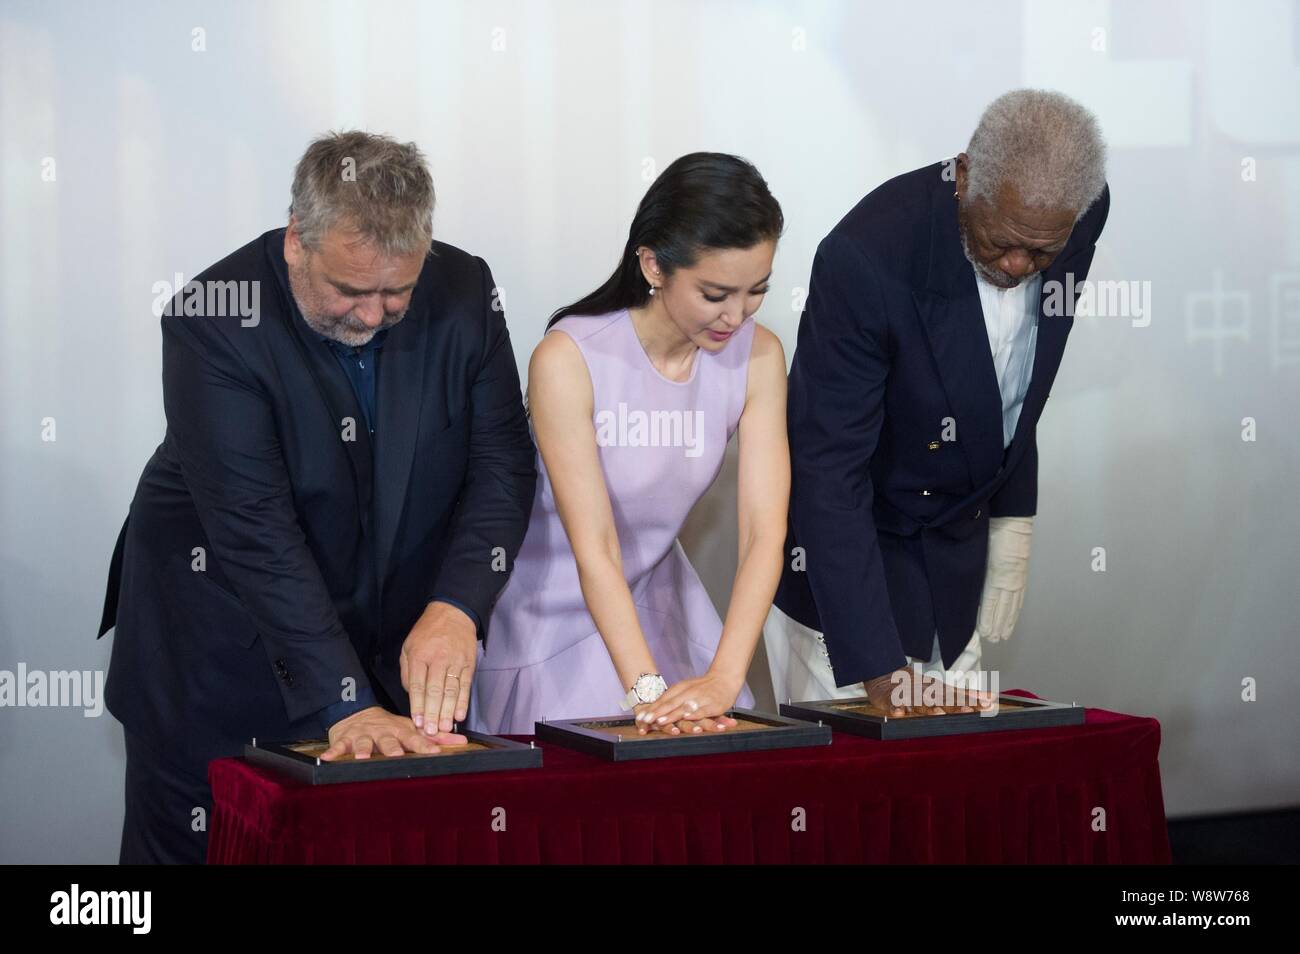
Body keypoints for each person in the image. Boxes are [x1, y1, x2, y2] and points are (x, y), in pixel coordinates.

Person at [97, 131, 537, 863]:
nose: (373, 315)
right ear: (298, 240)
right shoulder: (214, 316)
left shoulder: (465, 289)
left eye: (398, 291)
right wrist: (346, 702)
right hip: (219, 654)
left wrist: (458, 607)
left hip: (380, 652)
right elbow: (254, 532)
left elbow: (502, 463)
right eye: (351, 291)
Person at [766, 89, 1110, 715]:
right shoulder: (867, 257)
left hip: (957, 573)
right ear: (967, 176)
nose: (1017, 264)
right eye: (1001, 239)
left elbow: (1013, 380)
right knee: (855, 802)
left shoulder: (1077, 214)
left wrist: (1014, 516)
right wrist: (877, 669)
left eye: (1041, 253)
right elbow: (828, 468)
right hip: (848, 586)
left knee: (952, 802)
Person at [467, 153, 790, 736]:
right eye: (715, 293)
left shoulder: (760, 356)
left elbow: (765, 533)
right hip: (553, 617)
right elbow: (596, 549)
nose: (736, 316)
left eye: (756, 291)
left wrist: (723, 675)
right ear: (653, 265)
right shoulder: (569, 358)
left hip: (659, 603)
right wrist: (646, 692)